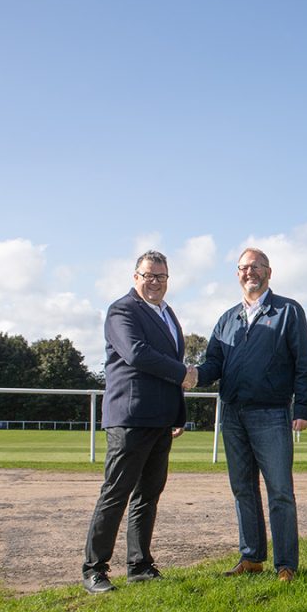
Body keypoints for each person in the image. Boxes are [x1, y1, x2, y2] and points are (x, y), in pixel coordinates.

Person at [195, 247, 307, 582]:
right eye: (242, 267)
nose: (248, 272)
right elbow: (213, 365)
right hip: (232, 415)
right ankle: (251, 557)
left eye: (255, 266)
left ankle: (286, 565)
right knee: (242, 489)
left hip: (272, 414)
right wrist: (191, 375)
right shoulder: (226, 318)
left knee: (279, 491)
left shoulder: (289, 312)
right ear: (237, 274)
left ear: (268, 272)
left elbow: (305, 364)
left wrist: (304, 408)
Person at [82, 250, 197, 594]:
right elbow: (136, 353)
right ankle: (94, 569)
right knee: (116, 493)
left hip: (160, 420)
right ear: (136, 277)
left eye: (161, 277)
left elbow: (166, 358)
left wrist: (176, 413)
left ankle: (139, 564)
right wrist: (183, 374)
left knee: (148, 495)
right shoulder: (122, 310)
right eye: (148, 275)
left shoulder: (167, 313)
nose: (155, 282)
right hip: (130, 419)